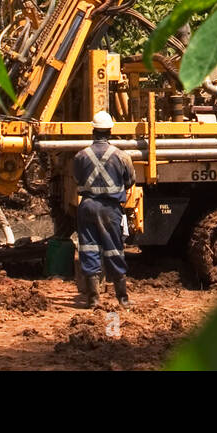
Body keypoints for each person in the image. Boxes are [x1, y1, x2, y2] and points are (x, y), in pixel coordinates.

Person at [72, 111, 134, 308]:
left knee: (89, 249)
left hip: (88, 206)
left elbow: (77, 179)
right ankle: (122, 300)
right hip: (110, 208)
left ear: (93, 131)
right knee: (114, 250)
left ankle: (93, 299)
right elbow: (130, 180)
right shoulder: (122, 156)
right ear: (110, 132)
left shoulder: (80, 156)